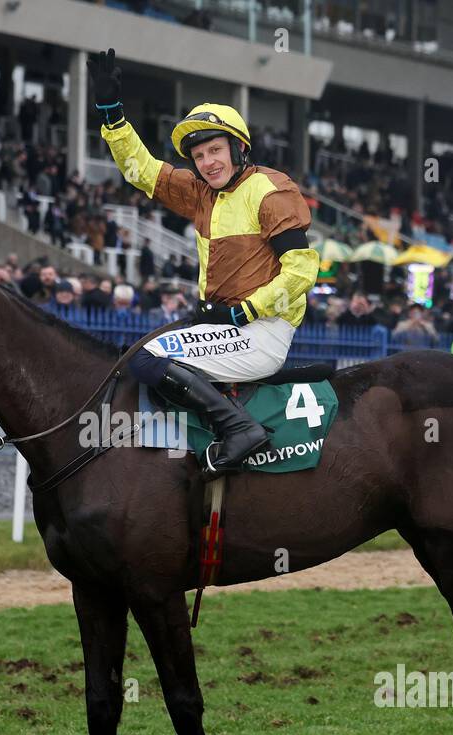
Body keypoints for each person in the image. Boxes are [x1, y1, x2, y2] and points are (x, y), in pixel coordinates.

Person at [90, 48, 318, 475]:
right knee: (133, 355)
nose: (208, 162)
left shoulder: (271, 189)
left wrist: (249, 308)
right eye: (199, 157)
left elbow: (303, 271)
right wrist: (112, 115)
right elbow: (141, 170)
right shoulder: (200, 193)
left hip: (261, 331)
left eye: (216, 150)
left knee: (147, 360)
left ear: (238, 148)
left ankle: (240, 431)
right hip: (220, 326)